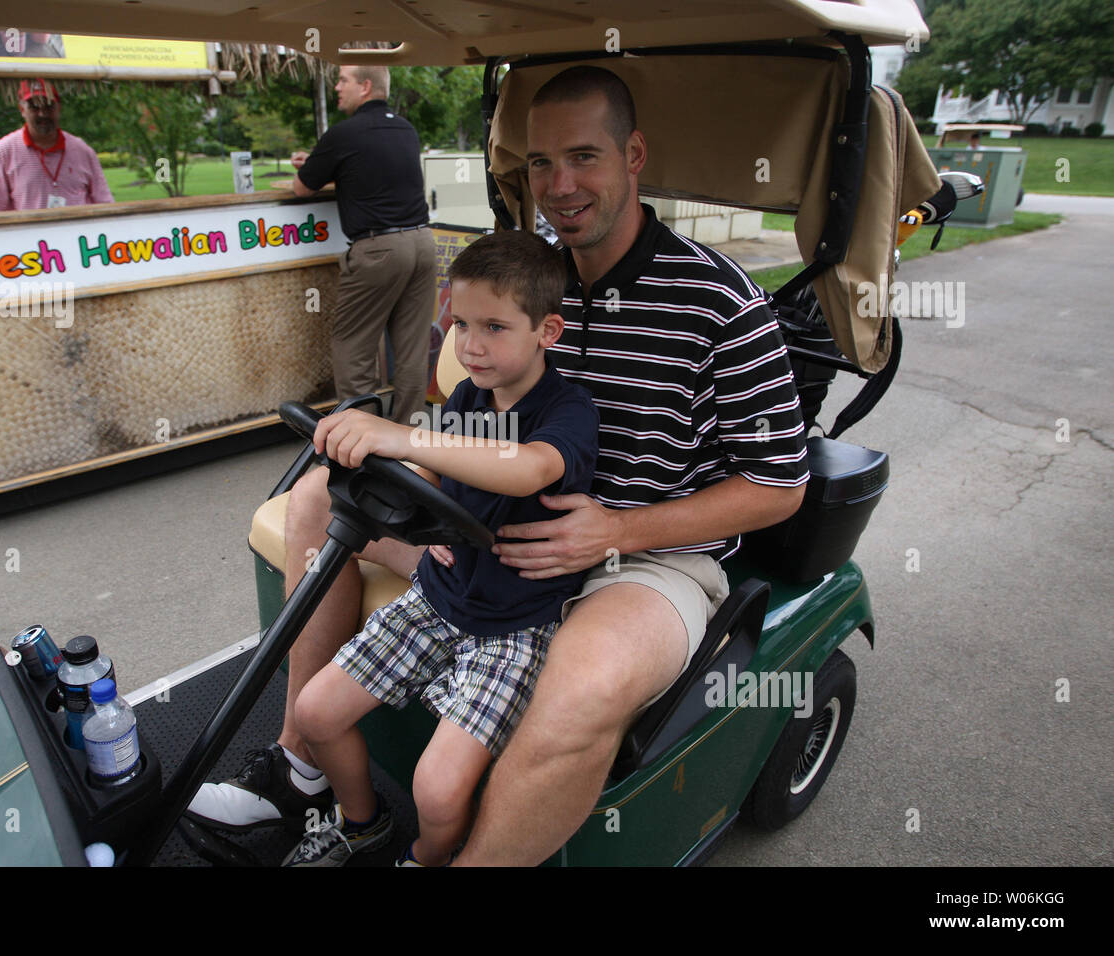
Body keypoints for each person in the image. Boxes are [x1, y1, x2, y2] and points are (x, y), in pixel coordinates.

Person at [188, 66, 808, 866]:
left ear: (634, 154)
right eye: (541, 164)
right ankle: (303, 764)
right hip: (497, 527)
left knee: (582, 688)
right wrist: (420, 466)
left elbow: (780, 487)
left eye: (584, 157)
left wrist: (618, 530)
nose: (560, 185)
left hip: (644, 555)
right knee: (319, 500)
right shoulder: (524, 272)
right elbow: (462, 402)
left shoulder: (722, 303)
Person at [269, 230, 599, 867]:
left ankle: (424, 858)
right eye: (460, 324)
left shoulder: (567, 412)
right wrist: (399, 486)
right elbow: (435, 474)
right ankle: (361, 824)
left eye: (495, 328)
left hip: (513, 628)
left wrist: (400, 437)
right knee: (315, 712)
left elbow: (526, 469)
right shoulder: (471, 397)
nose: (470, 346)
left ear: (547, 332)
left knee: (438, 790)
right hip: (440, 595)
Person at [289, 65, 435, 426]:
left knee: (352, 346)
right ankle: (407, 438)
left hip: (378, 250)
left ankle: (364, 436)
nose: (337, 87)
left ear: (365, 86)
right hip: (423, 242)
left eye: (343, 81)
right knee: (412, 347)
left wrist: (313, 165)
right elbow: (372, 167)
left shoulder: (343, 134)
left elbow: (301, 188)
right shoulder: (406, 129)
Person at [0, 78, 114, 212]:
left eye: (49, 106)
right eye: (34, 107)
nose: (42, 114)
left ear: (58, 108)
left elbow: (105, 204)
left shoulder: (83, 151)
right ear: (22, 110)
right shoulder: (2, 153)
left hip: (78, 232)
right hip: (28, 233)